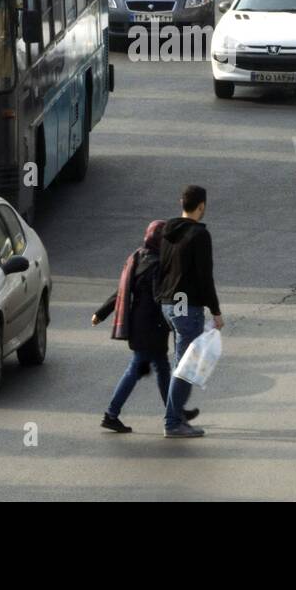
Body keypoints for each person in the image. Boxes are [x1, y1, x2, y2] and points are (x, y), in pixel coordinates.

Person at [90, 220, 189, 434]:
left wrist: (101, 312)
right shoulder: (157, 265)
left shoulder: (138, 256)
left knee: (162, 369)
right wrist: (176, 319)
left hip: (140, 324)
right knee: (138, 369)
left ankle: (175, 410)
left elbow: (122, 290)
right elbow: (159, 298)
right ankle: (111, 413)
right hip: (152, 326)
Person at [155, 184, 223, 439]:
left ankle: (177, 413)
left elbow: (160, 269)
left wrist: (160, 299)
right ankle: (173, 421)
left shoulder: (166, 232)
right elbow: (205, 277)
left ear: (181, 203)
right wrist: (216, 311)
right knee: (186, 366)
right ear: (201, 206)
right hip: (187, 308)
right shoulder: (199, 235)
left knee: (180, 362)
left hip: (168, 304)